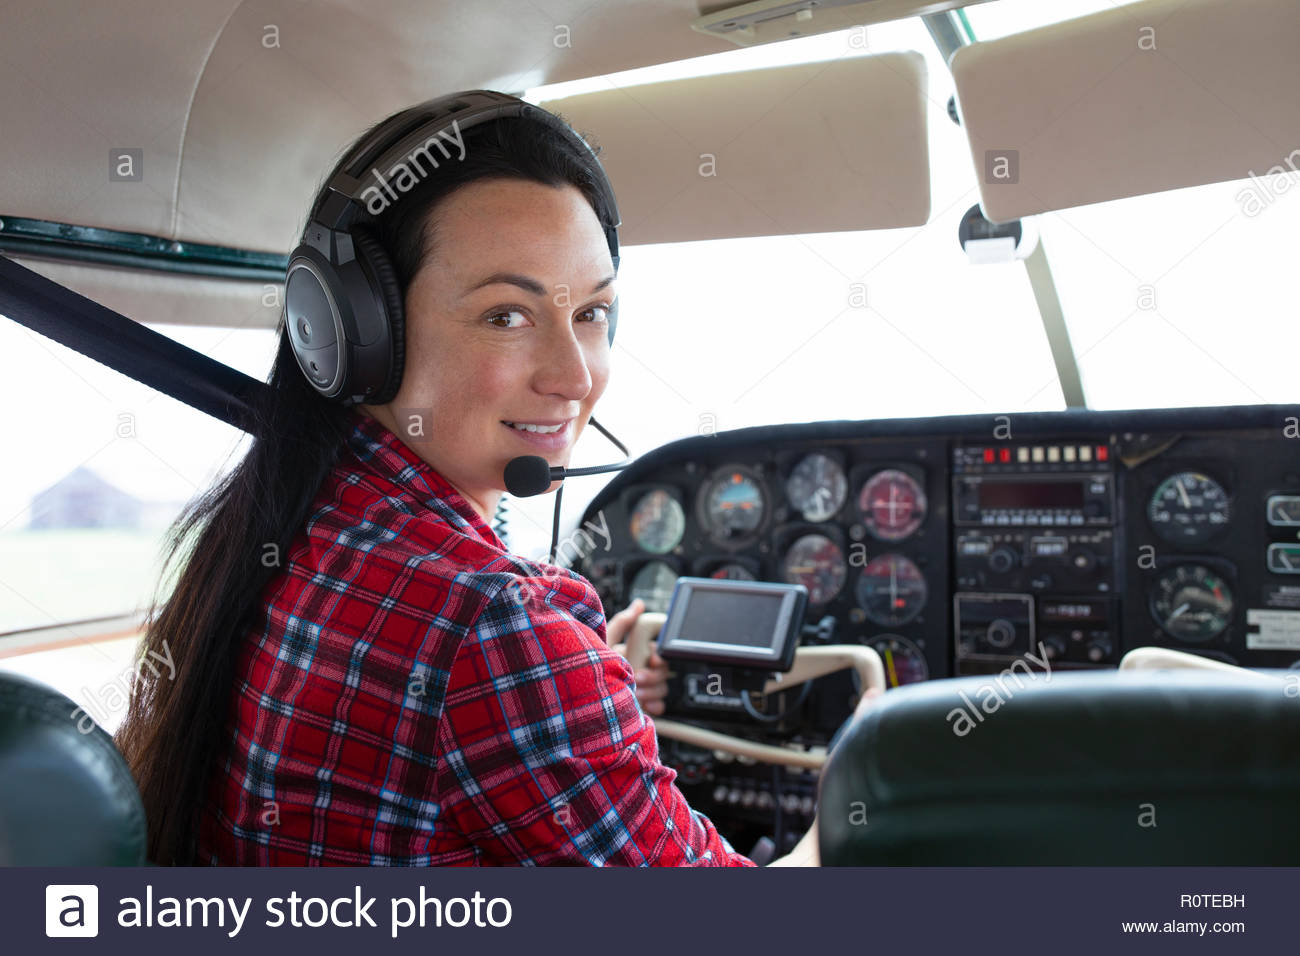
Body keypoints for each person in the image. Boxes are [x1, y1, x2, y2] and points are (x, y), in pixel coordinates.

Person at [115, 91, 847, 866]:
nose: (574, 377)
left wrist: (591, 707)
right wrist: (852, 785)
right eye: (507, 316)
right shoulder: (499, 633)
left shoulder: (271, 530)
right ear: (359, 334)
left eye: (593, 313)